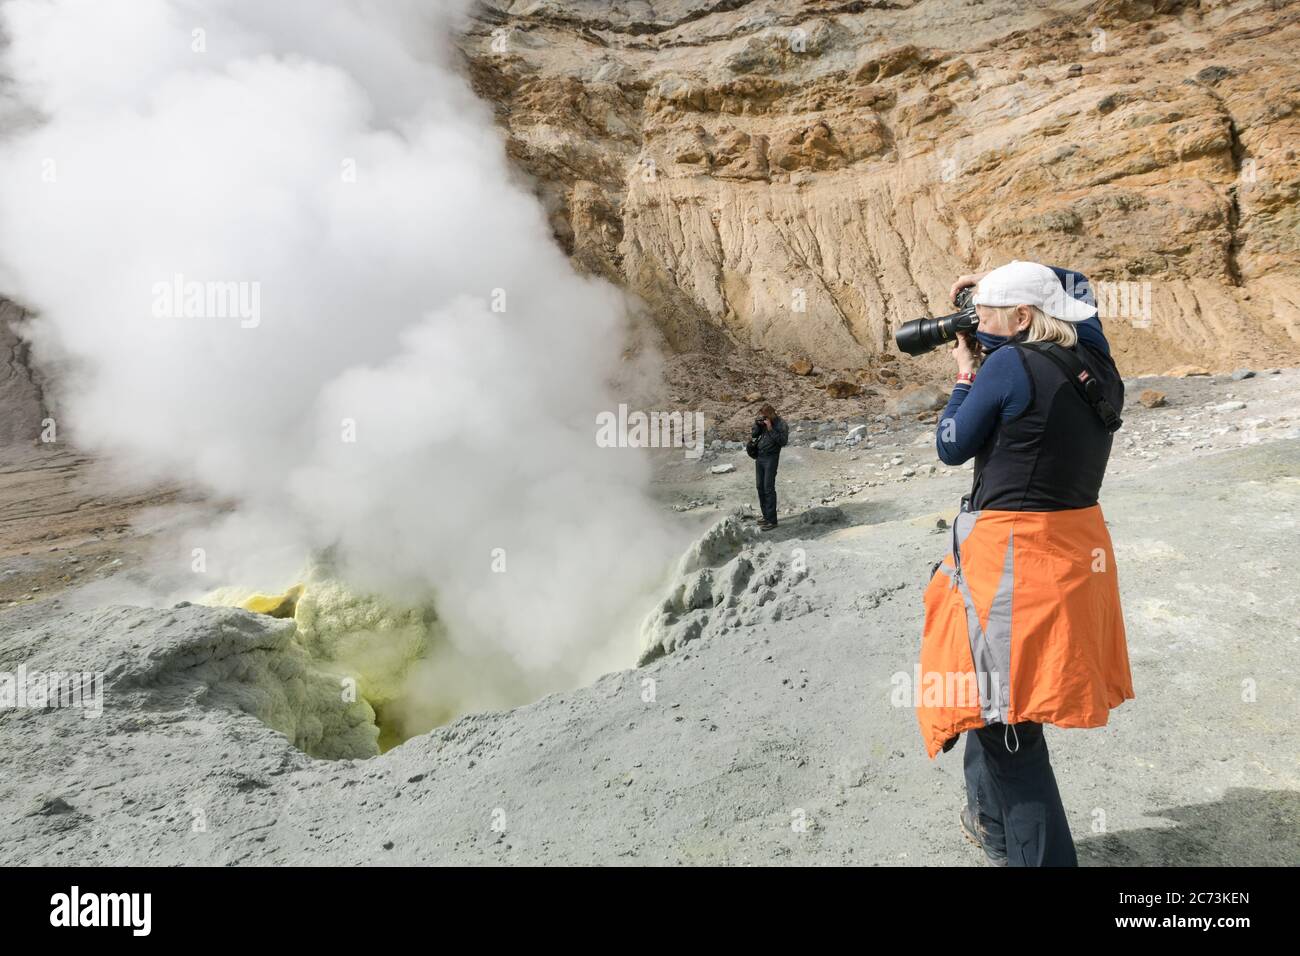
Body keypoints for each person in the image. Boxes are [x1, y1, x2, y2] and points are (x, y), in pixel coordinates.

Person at [916, 260, 1135, 867]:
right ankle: (992, 828)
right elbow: (1082, 289)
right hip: (1072, 556)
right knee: (987, 704)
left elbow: (951, 444)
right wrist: (987, 280)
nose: (977, 322)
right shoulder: (1095, 360)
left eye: (987, 311)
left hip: (1015, 568)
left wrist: (964, 374)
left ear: (1023, 316)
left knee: (1010, 728)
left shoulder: (1011, 363)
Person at [750, 403, 788, 531]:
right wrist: (757, 425)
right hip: (759, 457)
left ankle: (772, 521)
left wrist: (770, 428)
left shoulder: (781, 424)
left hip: (771, 458)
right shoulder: (763, 423)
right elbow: (754, 435)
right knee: (760, 486)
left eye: (765, 416)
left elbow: (783, 442)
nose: (764, 418)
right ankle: (766, 516)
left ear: (771, 414)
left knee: (768, 488)